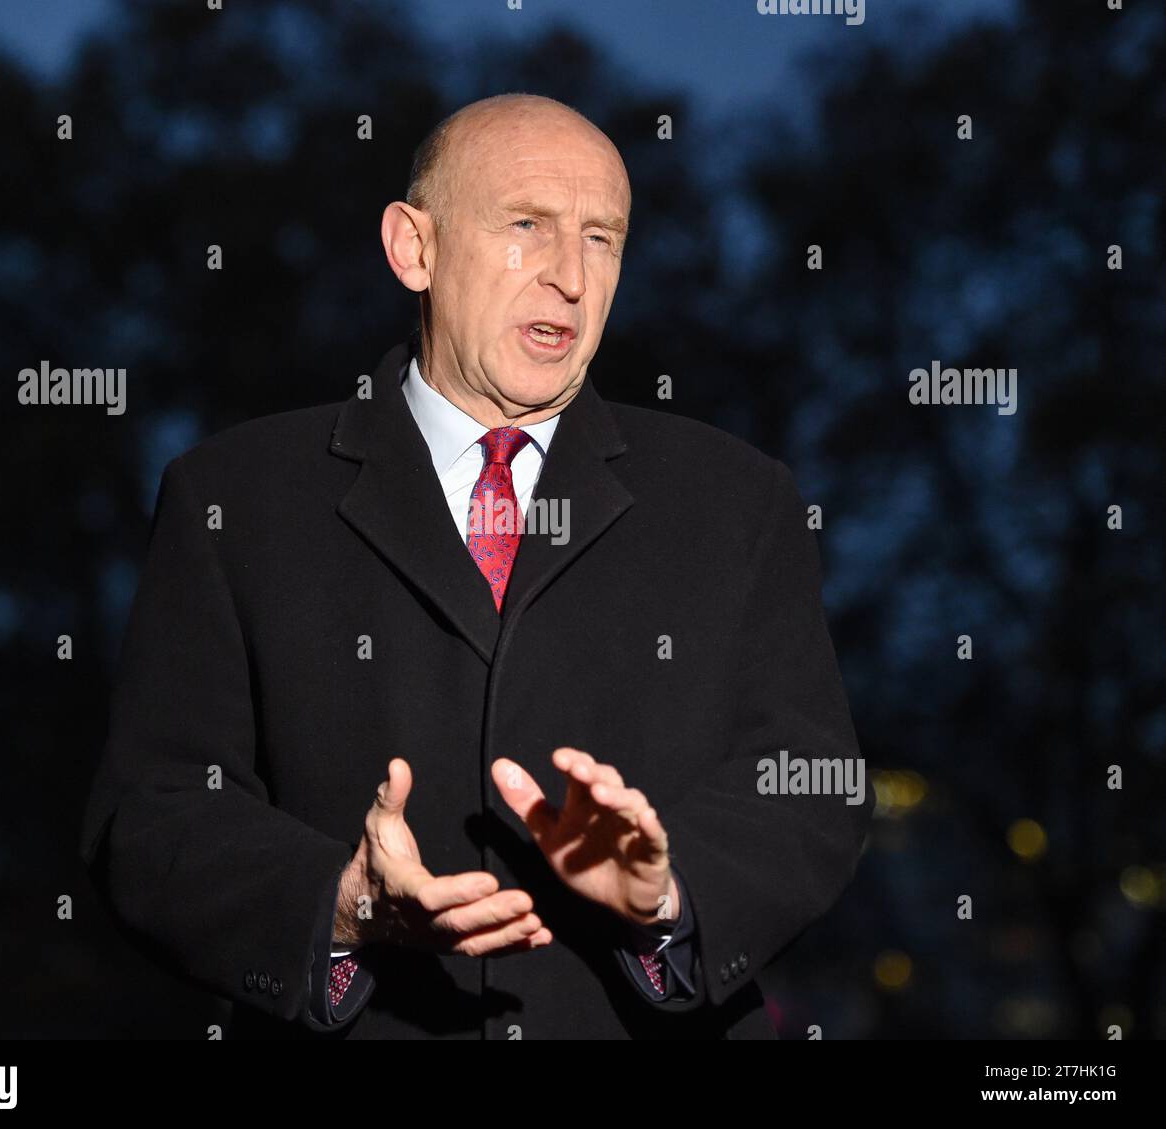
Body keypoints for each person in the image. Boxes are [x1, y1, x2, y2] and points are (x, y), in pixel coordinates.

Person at [79, 92, 872, 1040]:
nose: (571, 277)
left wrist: (667, 895)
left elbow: (813, 781)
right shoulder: (233, 497)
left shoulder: (738, 500)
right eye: (527, 226)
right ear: (413, 248)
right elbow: (152, 817)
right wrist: (337, 904)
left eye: (602, 238)